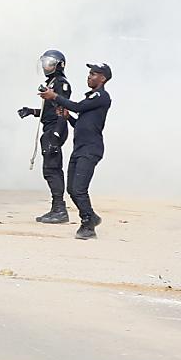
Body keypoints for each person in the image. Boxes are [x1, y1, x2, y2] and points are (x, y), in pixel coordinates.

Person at [41, 62, 112, 240]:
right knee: (73, 189)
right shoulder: (91, 99)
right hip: (80, 148)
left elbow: (78, 107)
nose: (89, 76)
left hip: (90, 149)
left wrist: (54, 96)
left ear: (103, 78)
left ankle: (88, 224)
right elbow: (81, 122)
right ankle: (92, 217)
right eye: (89, 73)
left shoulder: (101, 96)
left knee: (80, 189)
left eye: (94, 74)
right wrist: (69, 118)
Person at [18, 49, 72, 224]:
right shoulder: (53, 83)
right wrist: (32, 111)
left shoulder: (61, 84)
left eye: (49, 63)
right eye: (44, 63)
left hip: (55, 129)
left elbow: (63, 110)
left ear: (59, 65)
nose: (45, 67)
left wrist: (57, 132)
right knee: (49, 169)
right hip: (50, 128)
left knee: (53, 169)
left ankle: (60, 209)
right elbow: (50, 111)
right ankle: (56, 208)